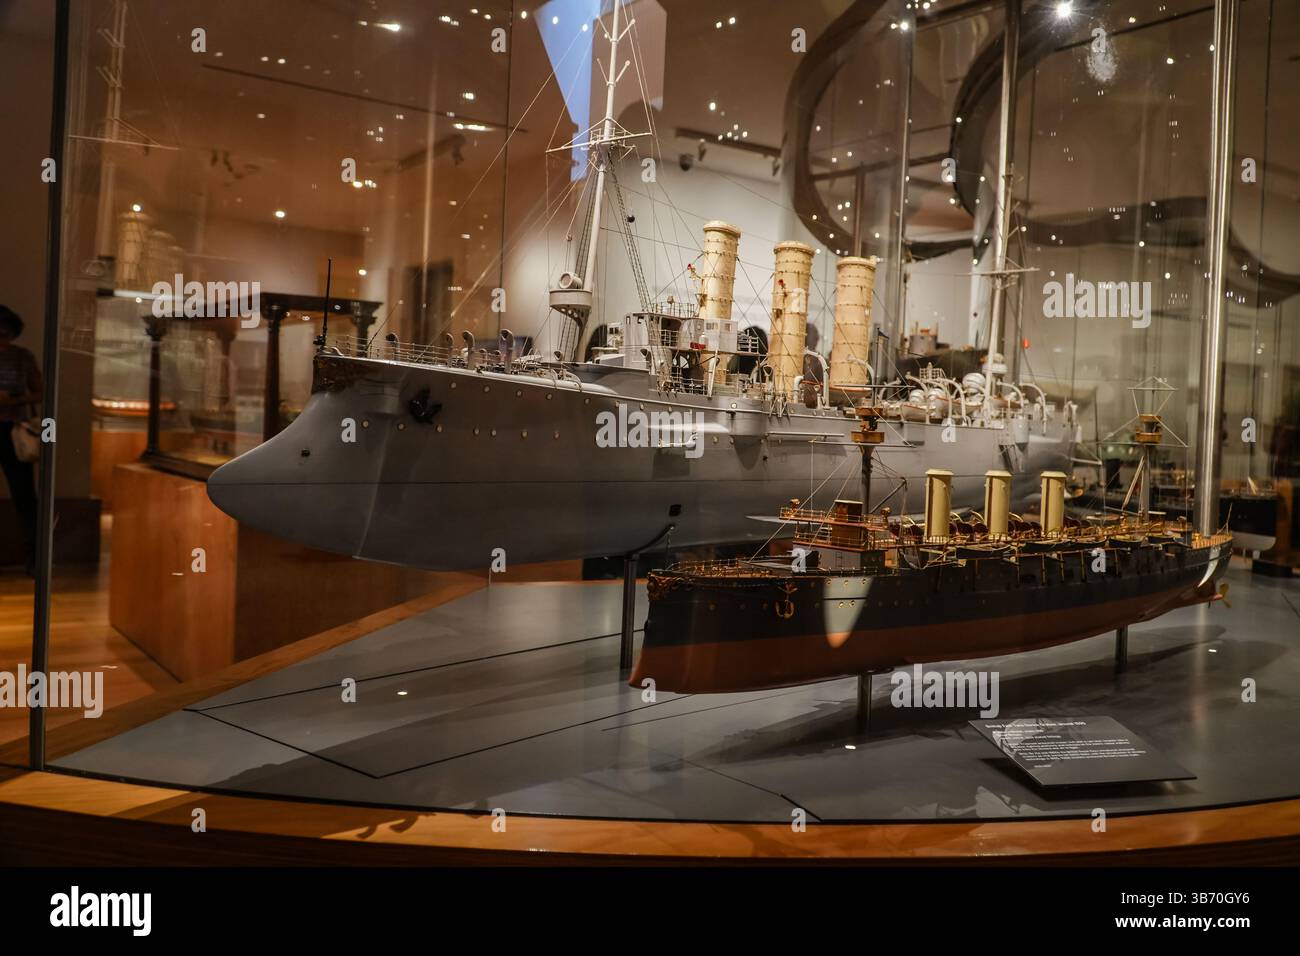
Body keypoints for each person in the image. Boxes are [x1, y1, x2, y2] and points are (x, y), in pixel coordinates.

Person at [0, 305, 41, 575]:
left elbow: (39, 392)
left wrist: (13, 400)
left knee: (24, 495)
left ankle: (34, 559)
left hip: (13, 430)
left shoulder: (23, 357)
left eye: (6, 333)